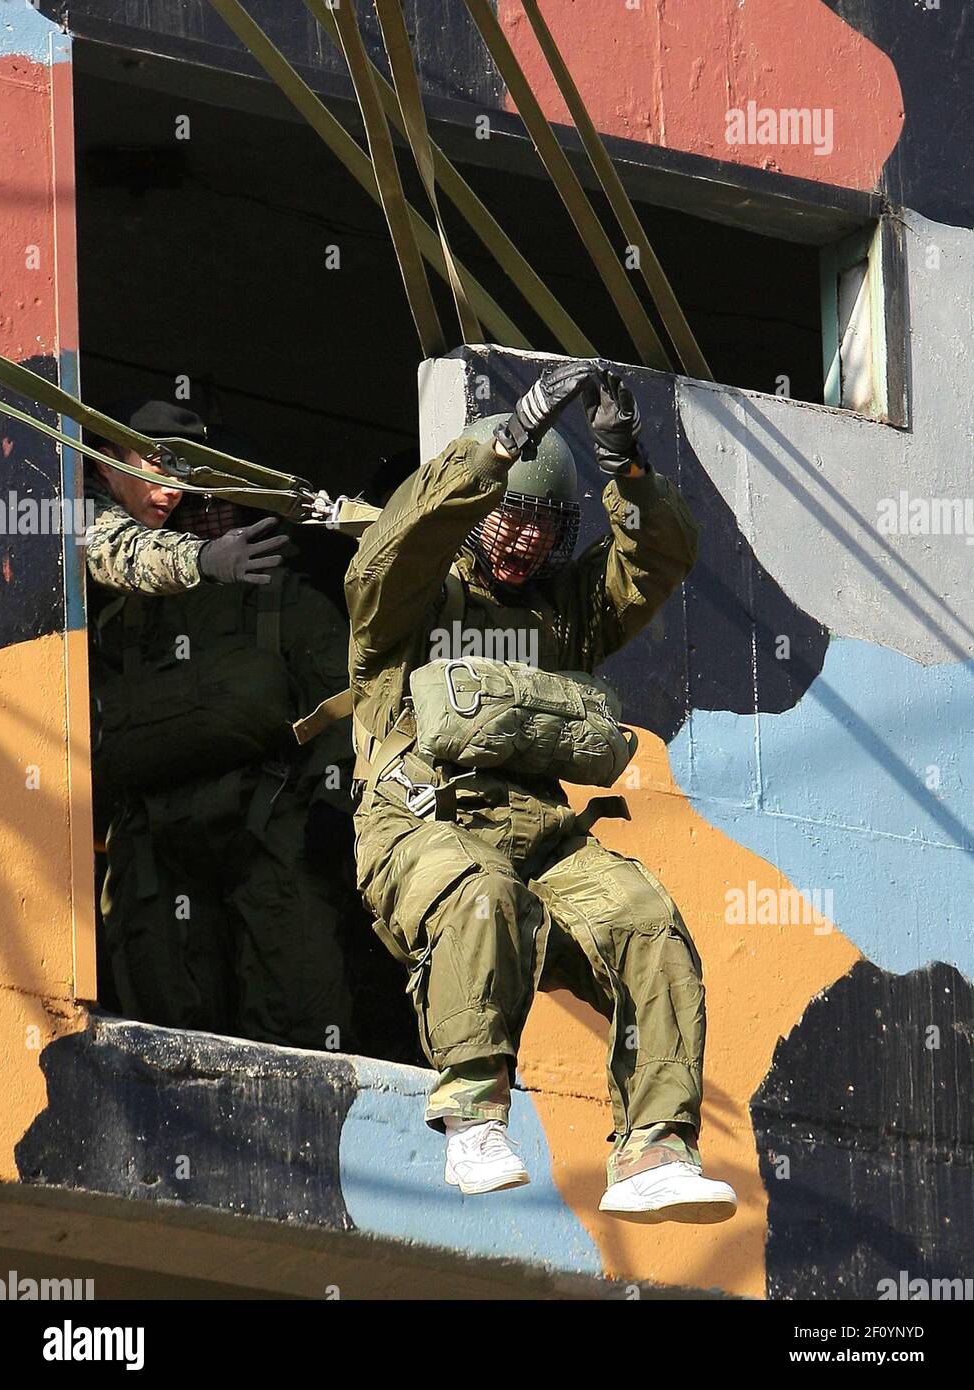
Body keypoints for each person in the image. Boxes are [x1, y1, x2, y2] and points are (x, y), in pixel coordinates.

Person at [345, 362, 737, 1222]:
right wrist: (500, 445)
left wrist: (625, 466)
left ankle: (652, 1151)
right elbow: (393, 548)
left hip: (542, 837)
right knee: (482, 899)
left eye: (544, 525)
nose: (524, 541)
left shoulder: (563, 616)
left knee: (647, 921)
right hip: (420, 829)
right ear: (480, 514)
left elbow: (657, 558)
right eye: (510, 518)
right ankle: (475, 1114)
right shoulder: (408, 605)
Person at [85, 400, 354, 1051]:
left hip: (268, 816)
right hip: (153, 831)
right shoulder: (120, 606)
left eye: (214, 503)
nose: (196, 513)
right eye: (188, 503)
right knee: (160, 1015)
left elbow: (350, 710)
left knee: (298, 996)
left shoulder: (287, 603)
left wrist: (333, 804)